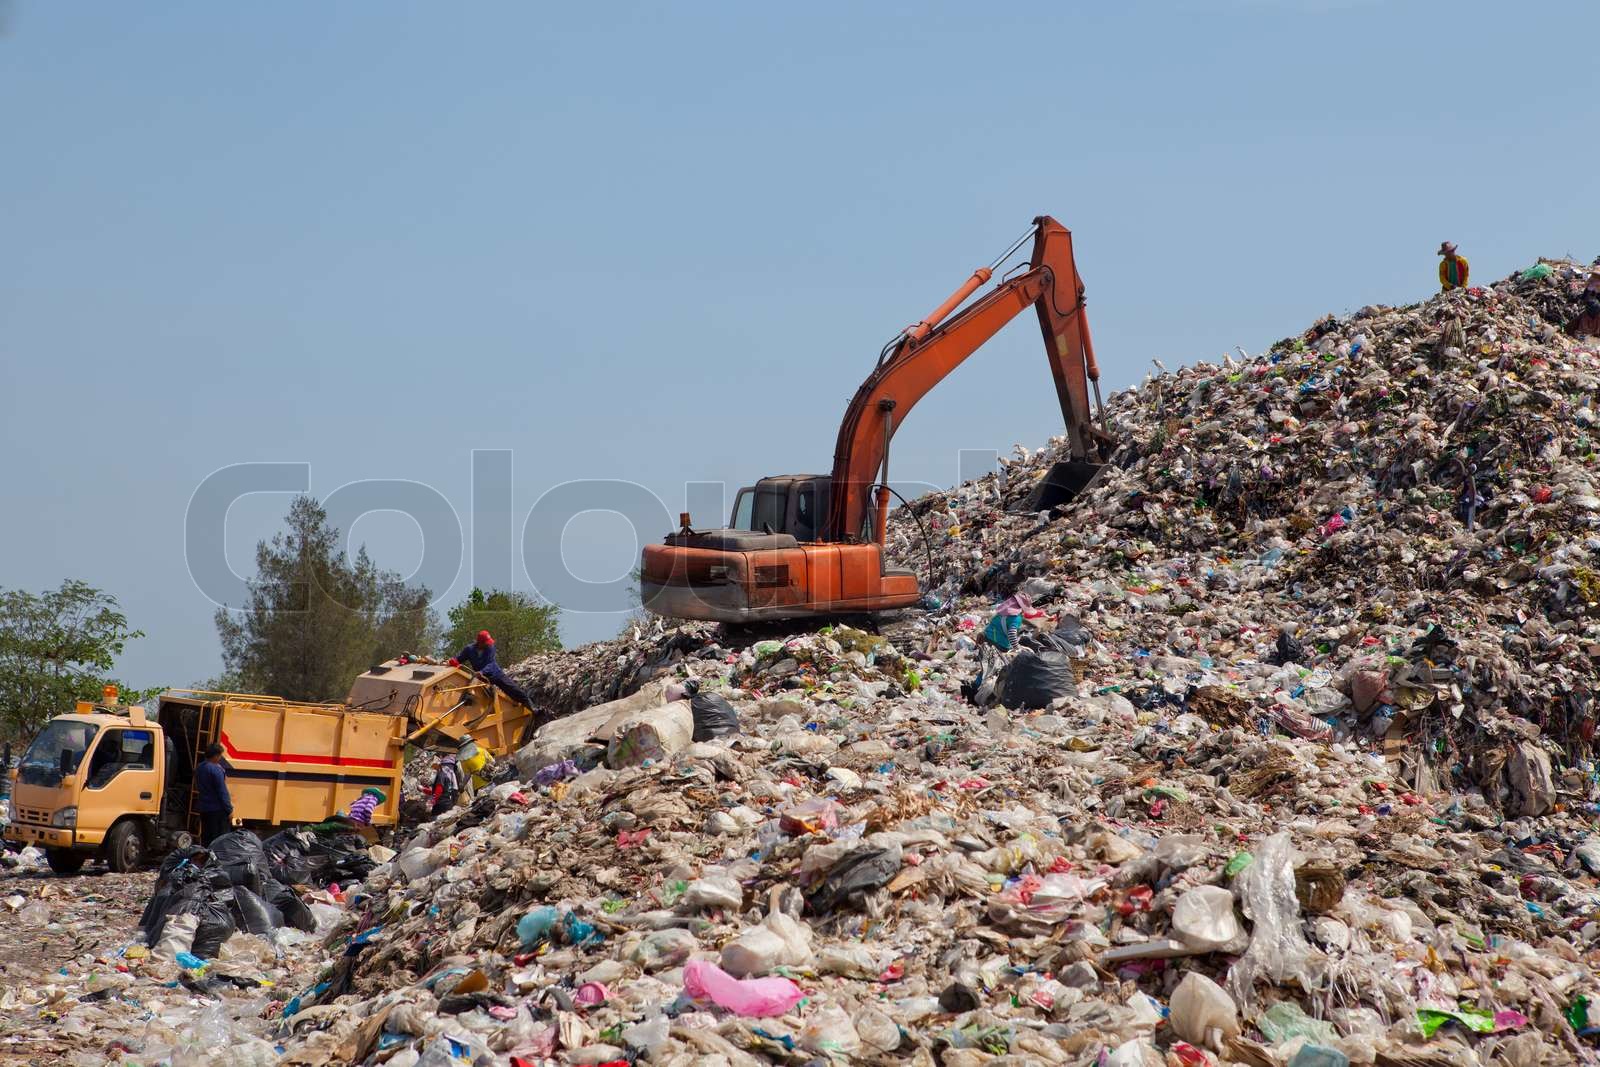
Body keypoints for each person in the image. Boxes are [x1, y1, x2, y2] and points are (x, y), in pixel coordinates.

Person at [449, 630, 537, 711]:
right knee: (474, 695)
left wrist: (482, 672)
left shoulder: (490, 647)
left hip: (495, 673)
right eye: (486, 643)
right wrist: (453, 661)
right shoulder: (469, 650)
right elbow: (459, 659)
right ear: (480, 642)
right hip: (482, 678)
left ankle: (533, 708)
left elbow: (490, 664)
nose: (488, 644)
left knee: (514, 690)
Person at [195, 742, 232, 845]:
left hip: (204, 808)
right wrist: (229, 809)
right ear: (216, 755)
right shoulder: (216, 769)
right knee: (219, 840)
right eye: (220, 755)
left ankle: (206, 858)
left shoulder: (199, 767)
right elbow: (222, 791)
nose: (220, 758)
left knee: (206, 837)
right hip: (217, 810)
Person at [430, 748, 462, 816]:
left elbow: (439, 790)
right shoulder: (452, 777)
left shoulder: (441, 775)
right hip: (449, 805)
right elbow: (453, 792)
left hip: (440, 806)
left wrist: (431, 802)